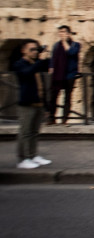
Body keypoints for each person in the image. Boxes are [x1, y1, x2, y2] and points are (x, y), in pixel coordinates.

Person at [12, 39, 52, 169]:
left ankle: (33, 155)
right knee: (25, 132)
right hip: (26, 104)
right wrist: (40, 61)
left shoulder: (35, 64)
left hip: (39, 103)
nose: (35, 52)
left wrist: (46, 56)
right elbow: (27, 73)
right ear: (23, 50)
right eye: (32, 49)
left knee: (34, 132)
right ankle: (22, 159)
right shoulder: (19, 64)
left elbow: (48, 68)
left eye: (36, 49)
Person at [46, 25, 81, 125]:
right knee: (53, 97)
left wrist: (65, 42)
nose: (61, 34)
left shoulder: (76, 45)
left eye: (63, 32)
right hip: (58, 74)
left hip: (70, 74)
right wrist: (51, 67)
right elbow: (53, 58)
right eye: (60, 32)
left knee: (67, 97)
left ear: (68, 34)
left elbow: (71, 53)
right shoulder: (56, 45)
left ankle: (64, 119)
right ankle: (51, 118)